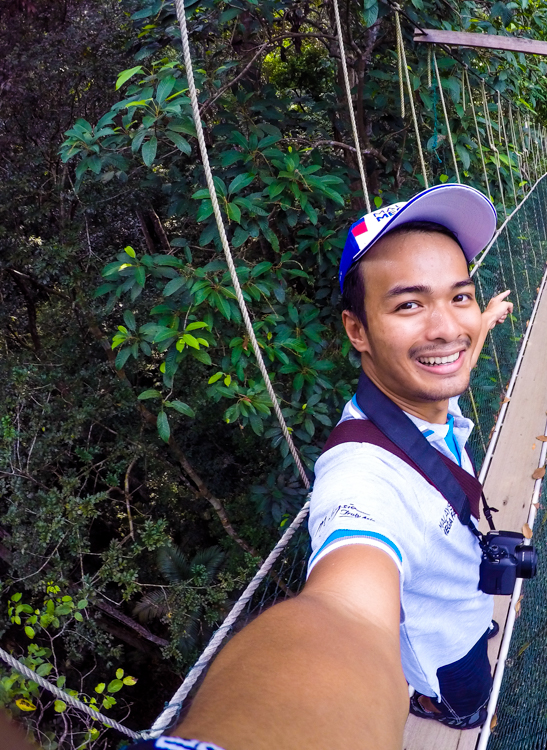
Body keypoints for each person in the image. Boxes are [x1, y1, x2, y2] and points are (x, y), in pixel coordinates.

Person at [121, 184, 513, 750]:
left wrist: (487, 318)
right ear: (358, 331)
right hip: (447, 651)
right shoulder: (360, 476)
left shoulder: (426, 389)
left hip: (466, 603)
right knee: (469, 702)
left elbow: (455, 351)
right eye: (409, 304)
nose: (448, 329)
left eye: (460, 296)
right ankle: (439, 706)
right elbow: (342, 610)